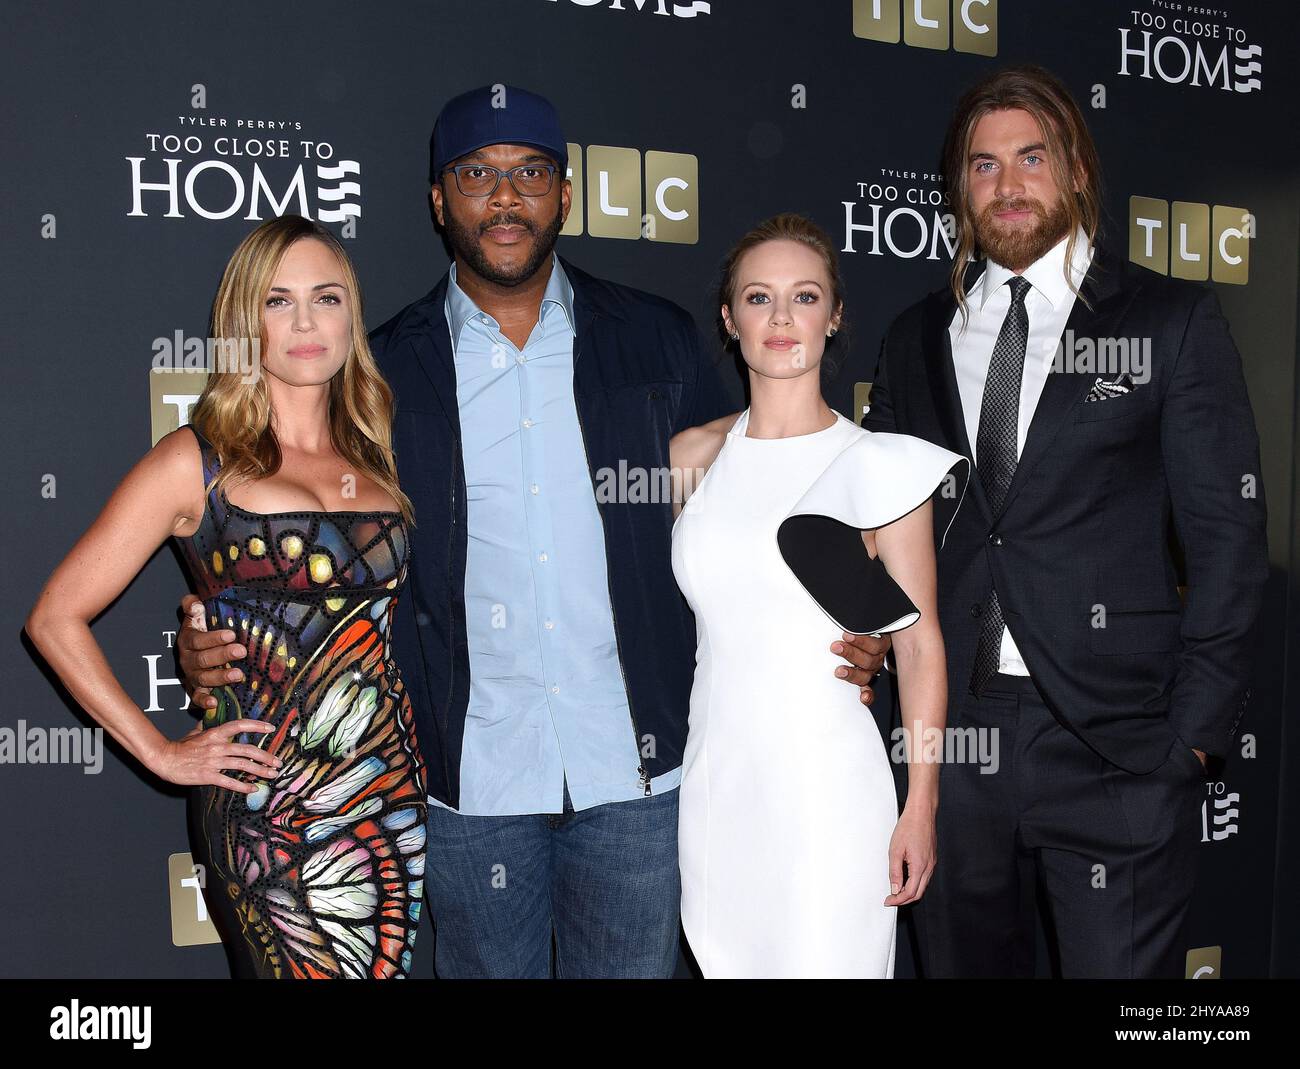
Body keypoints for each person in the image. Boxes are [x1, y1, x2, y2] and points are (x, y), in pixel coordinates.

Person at [175, 86, 889, 979]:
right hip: (470, 780)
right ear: (440, 201)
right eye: (476, 174)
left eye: (529, 173)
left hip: (638, 774)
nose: (504, 196)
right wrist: (216, 623)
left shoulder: (657, 341)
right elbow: (294, 513)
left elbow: (753, 503)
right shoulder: (380, 372)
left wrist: (844, 626)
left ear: (565, 192)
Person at [865, 65, 1269, 977]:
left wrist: (1189, 741)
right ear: (960, 189)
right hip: (955, 742)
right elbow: (888, 531)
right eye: (983, 166)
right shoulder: (914, 338)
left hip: (1117, 743)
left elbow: (1229, 543)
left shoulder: (1169, 318)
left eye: (1031, 158)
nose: (1008, 185)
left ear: (1076, 171)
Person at [28, 215, 428, 979]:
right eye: (279, 302)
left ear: (353, 314)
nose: (307, 322)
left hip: (387, 790)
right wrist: (159, 750)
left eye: (327, 297)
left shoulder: (374, 453)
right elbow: (54, 615)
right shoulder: (197, 460)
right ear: (247, 322)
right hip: (268, 808)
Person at [669, 213, 969, 977]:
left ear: (833, 317)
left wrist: (921, 802)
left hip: (829, 793)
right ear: (729, 317)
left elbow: (920, 639)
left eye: (803, 297)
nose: (780, 318)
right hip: (715, 791)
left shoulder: (881, 465)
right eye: (759, 297)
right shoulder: (687, 458)